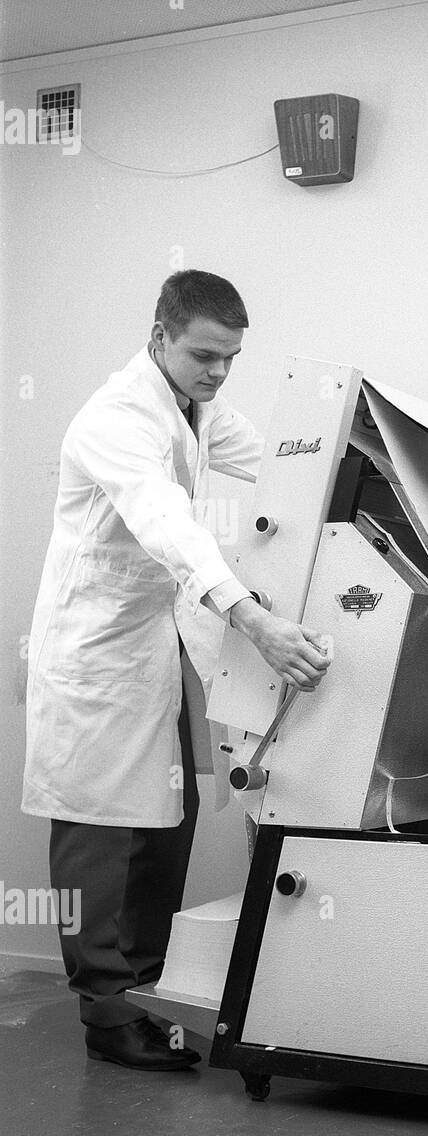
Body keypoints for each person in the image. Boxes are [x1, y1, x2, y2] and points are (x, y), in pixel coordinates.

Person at [22, 270, 331, 1071]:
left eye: (231, 358)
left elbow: (280, 462)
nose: (219, 372)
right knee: (97, 828)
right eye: (205, 355)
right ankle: (105, 1009)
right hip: (95, 653)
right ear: (160, 337)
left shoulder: (196, 405)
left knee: (171, 813)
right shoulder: (115, 419)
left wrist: (374, 458)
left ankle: (145, 984)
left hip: (154, 647)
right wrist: (254, 619)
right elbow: (165, 522)